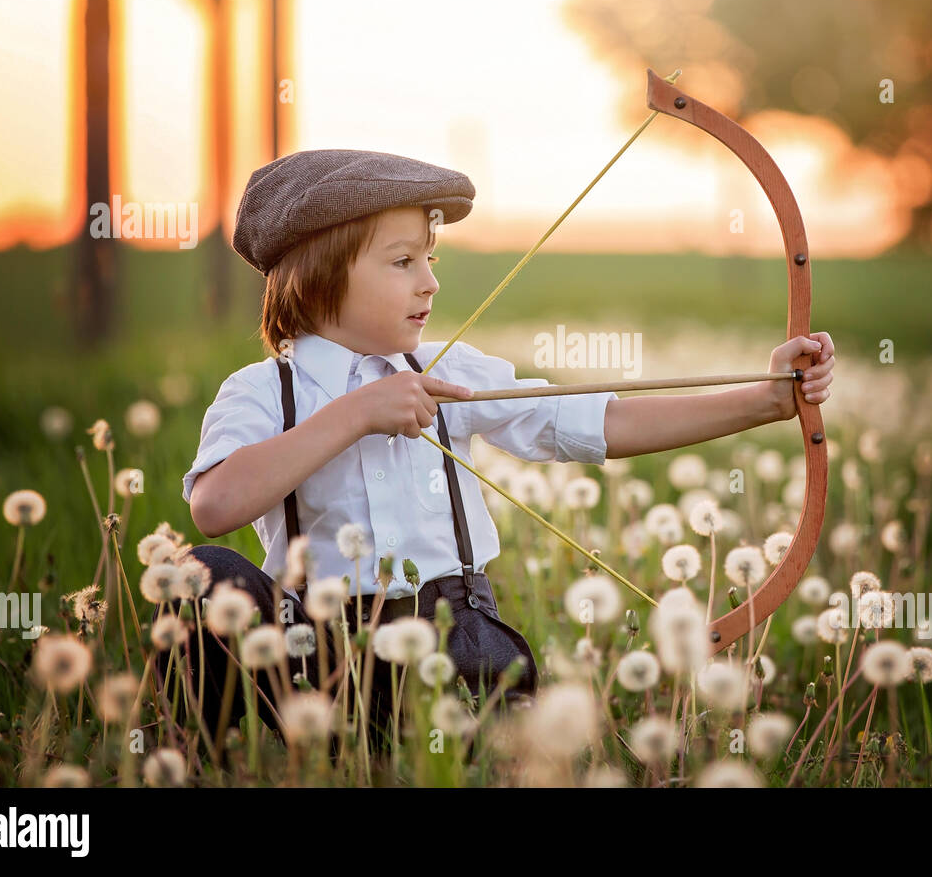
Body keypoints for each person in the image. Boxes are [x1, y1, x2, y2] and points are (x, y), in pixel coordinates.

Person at [171, 148, 836, 755]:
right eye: (403, 262)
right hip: (312, 654)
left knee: (517, 754)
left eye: (431, 259)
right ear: (318, 276)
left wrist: (767, 401)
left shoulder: (451, 369)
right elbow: (215, 505)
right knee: (203, 572)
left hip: (452, 642)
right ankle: (206, 762)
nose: (429, 282)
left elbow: (597, 420)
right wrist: (357, 414)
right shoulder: (264, 390)